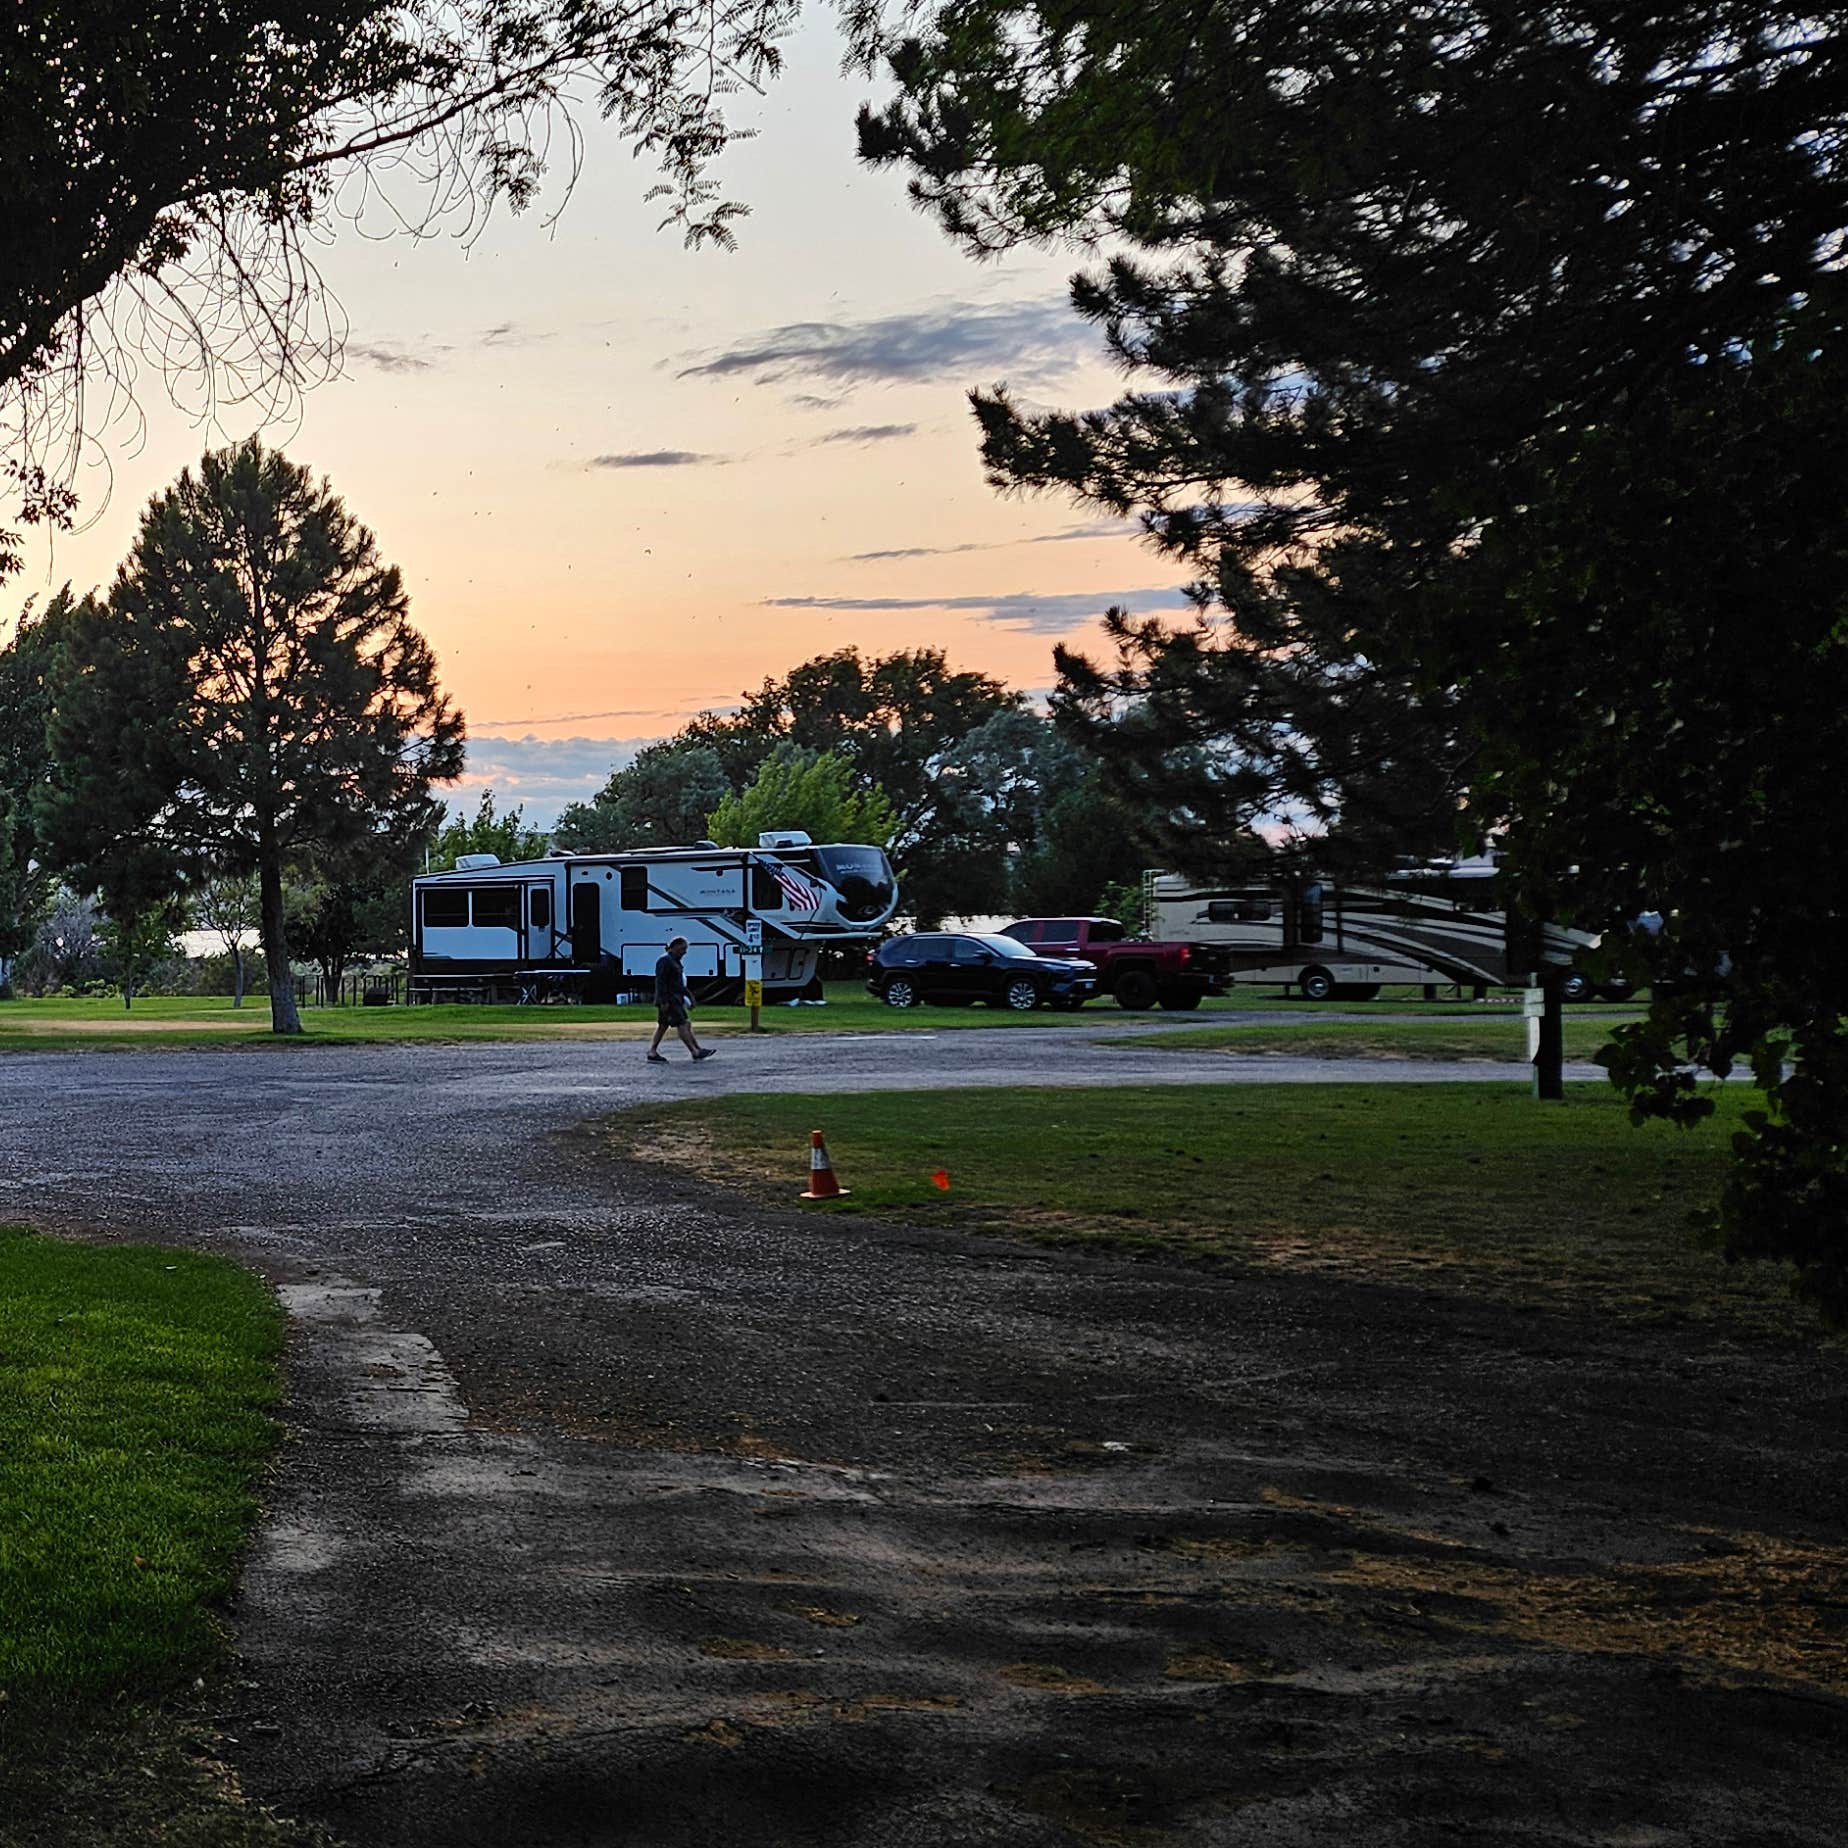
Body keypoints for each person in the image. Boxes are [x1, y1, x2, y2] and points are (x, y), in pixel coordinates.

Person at [648, 936, 716, 1063]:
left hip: (676, 998)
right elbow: (661, 982)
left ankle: (653, 1051)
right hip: (670, 1000)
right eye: (683, 949)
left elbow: (680, 983)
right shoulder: (665, 961)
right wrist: (663, 1001)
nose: (685, 952)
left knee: (664, 1025)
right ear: (674, 947)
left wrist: (690, 997)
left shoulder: (675, 961)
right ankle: (694, 1051)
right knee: (683, 1024)